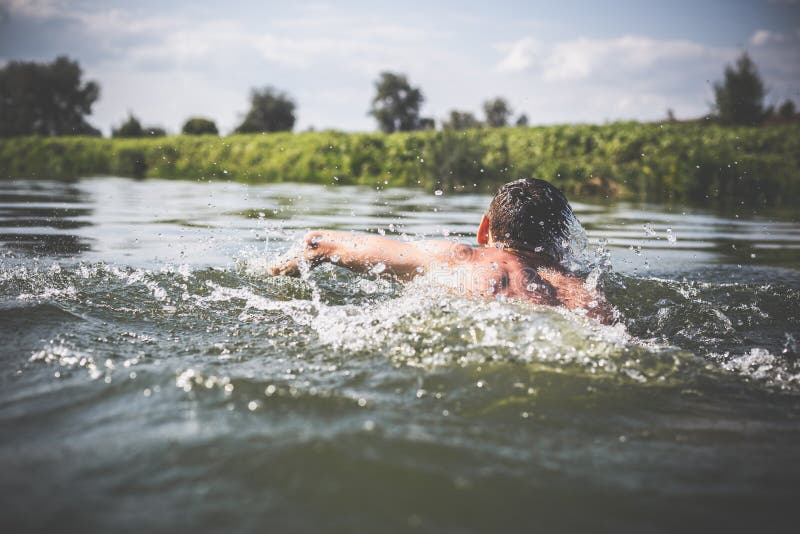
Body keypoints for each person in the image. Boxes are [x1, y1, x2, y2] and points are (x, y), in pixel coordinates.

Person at [269, 178, 615, 323]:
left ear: (484, 230)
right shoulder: (583, 295)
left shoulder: (452, 258)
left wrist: (280, 271)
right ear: (563, 241)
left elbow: (319, 243)